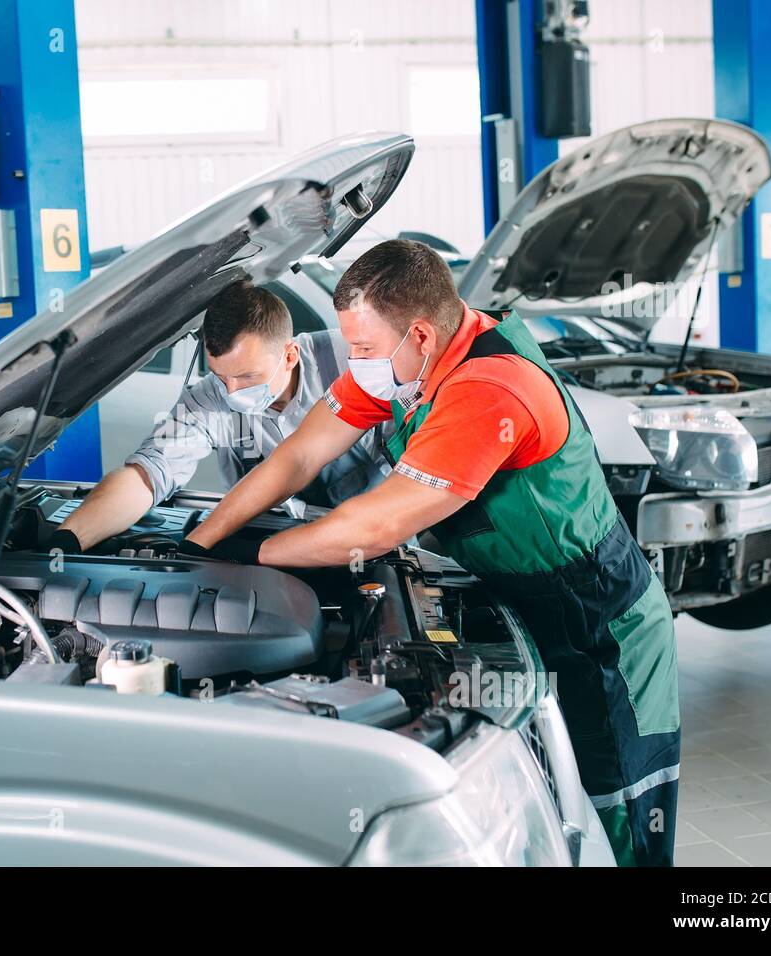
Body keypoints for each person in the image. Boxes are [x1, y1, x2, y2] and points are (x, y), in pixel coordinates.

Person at [181, 239, 681, 867]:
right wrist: (201, 540)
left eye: (361, 348)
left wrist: (255, 557)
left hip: (598, 624)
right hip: (524, 598)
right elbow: (301, 454)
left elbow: (374, 527)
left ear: (417, 333)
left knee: (620, 811)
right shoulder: (415, 365)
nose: (353, 361)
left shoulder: (489, 389)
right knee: (560, 807)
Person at [47, 280, 389, 552]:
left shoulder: (351, 363)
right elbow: (147, 475)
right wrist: (67, 539)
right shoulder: (210, 398)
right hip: (278, 536)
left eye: (247, 377)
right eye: (221, 376)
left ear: (289, 356)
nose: (232, 392)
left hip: (379, 536)